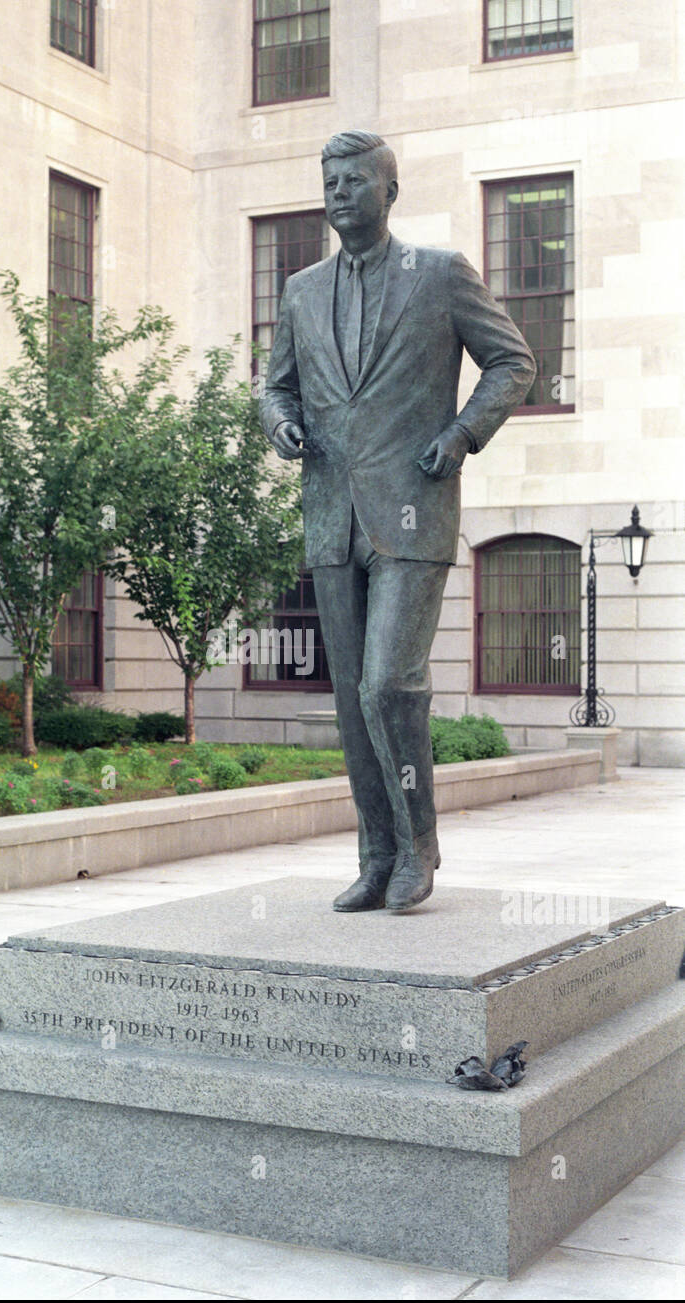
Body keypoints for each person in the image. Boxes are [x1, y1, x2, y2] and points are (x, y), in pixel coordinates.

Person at [260, 130, 536, 912]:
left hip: (414, 510)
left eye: (356, 180)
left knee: (390, 684)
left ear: (389, 192)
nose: (340, 191)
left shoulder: (440, 275)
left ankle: (418, 847)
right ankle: (376, 854)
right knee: (350, 697)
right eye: (331, 180)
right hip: (330, 516)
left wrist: (461, 435)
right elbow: (275, 387)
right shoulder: (302, 290)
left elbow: (513, 360)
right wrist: (278, 424)